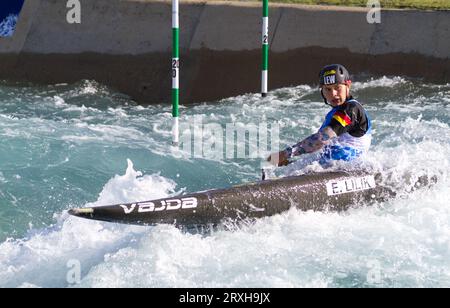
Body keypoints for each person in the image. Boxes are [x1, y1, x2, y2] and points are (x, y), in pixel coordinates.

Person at [267, 64, 372, 167]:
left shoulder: (351, 110)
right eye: (328, 89)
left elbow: (321, 139)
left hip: (347, 169)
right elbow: (320, 148)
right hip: (332, 166)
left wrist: (285, 154)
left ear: (348, 85)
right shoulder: (336, 112)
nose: (333, 94)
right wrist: (289, 163)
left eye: (337, 88)